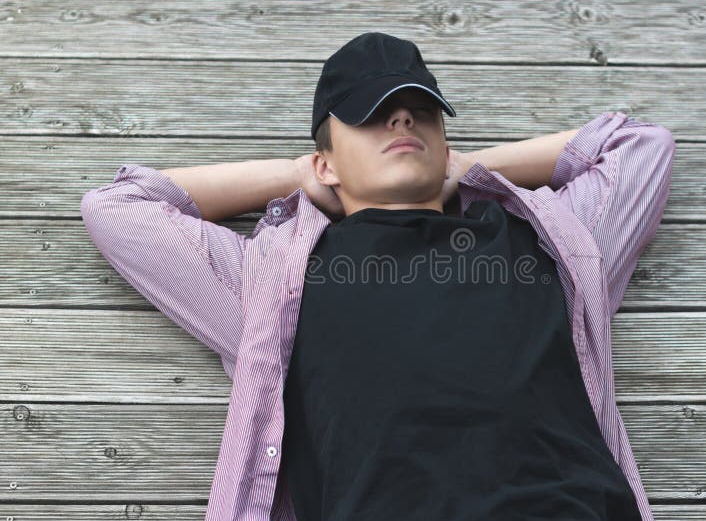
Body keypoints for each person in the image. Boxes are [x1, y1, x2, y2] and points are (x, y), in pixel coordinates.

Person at [81, 31, 674, 521]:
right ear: (326, 162)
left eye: (422, 112)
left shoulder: (547, 240)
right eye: (371, 115)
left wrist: (470, 168)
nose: (402, 118)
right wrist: (295, 173)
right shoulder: (275, 279)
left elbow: (640, 145)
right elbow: (117, 208)